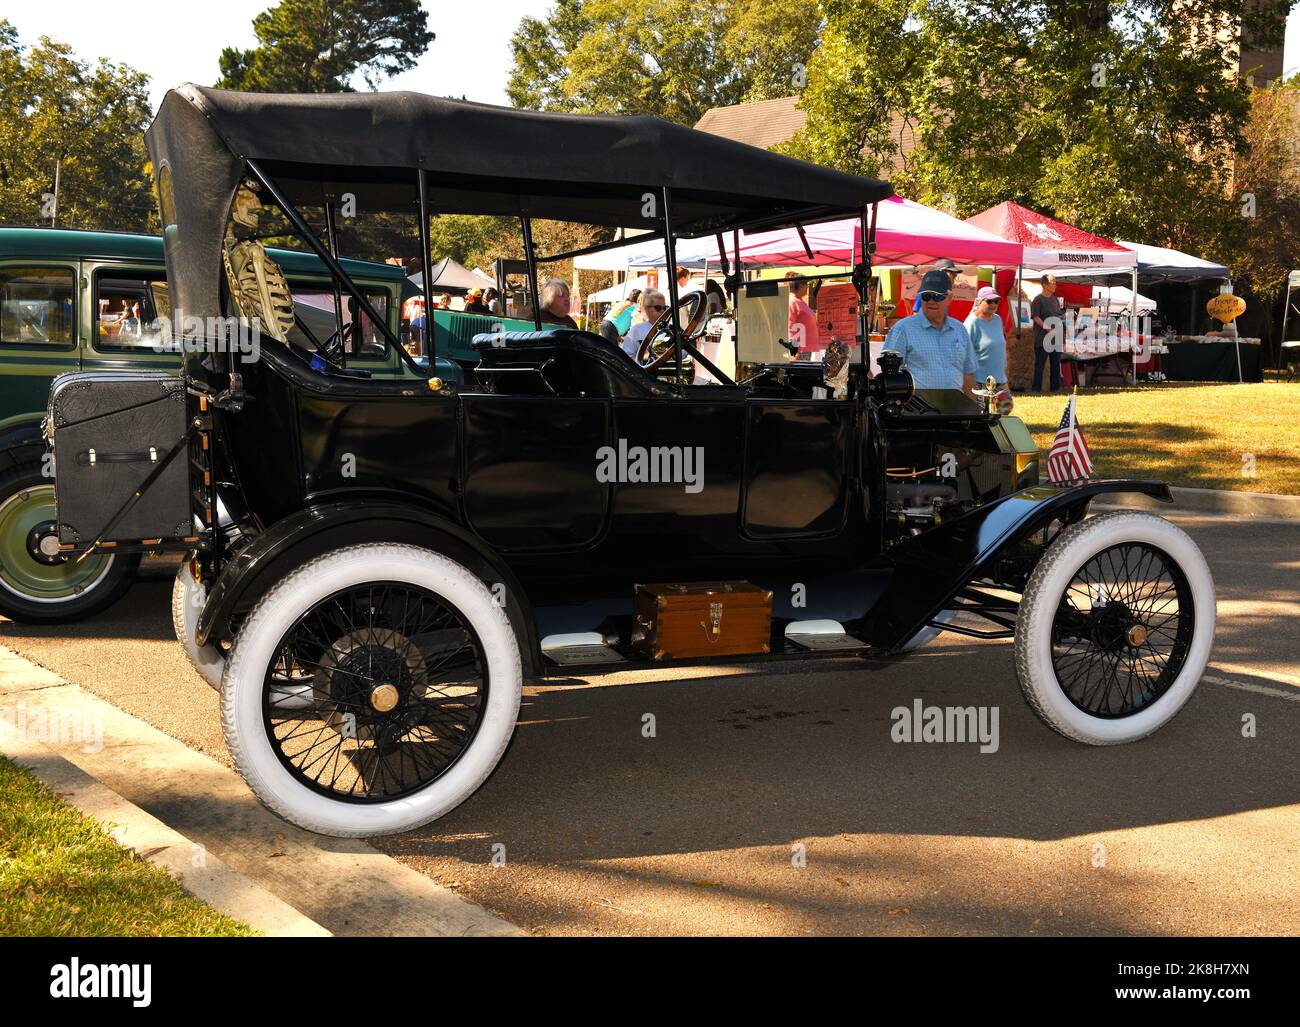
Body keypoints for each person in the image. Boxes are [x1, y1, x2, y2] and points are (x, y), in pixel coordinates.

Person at [882, 268, 977, 396]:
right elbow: (889, 376)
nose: (931, 301)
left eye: (937, 296)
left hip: (956, 410)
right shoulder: (902, 329)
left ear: (950, 298)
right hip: (918, 411)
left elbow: (968, 374)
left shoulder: (960, 330)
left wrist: (972, 410)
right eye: (926, 296)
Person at [963, 286, 1008, 387]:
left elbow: (1000, 348)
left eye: (996, 301)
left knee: (1006, 404)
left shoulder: (997, 319)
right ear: (979, 301)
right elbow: (964, 354)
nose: (993, 304)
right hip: (980, 382)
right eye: (989, 301)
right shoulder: (972, 323)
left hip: (1000, 380)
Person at [1030, 273, 1063, 392]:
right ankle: (1036, 389)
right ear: (1044, 284)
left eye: (1055, 283)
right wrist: (1047, 328)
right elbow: (1035, 317)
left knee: (1055, 365)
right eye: (1052, 283)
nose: (1055, 285)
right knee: (1039, 365)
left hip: (1056, 337)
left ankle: (1055, 389)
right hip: (1042, 338)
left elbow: (1058, 315)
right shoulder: (1038, 300)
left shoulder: (1055, 299)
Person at [622, 289, 667, 359]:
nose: (663, 311)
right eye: (658, 308)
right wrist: (645, 356)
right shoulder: (637, 329)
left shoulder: (668, 328)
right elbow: (626, 357)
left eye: (664, 308)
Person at [785, 272, 820, 353]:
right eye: (806, 284)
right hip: (801, 350)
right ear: (801, 286)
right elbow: (789, 327)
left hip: (807, 349)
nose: (807, 287)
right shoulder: (792, 302)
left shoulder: (799, 301)